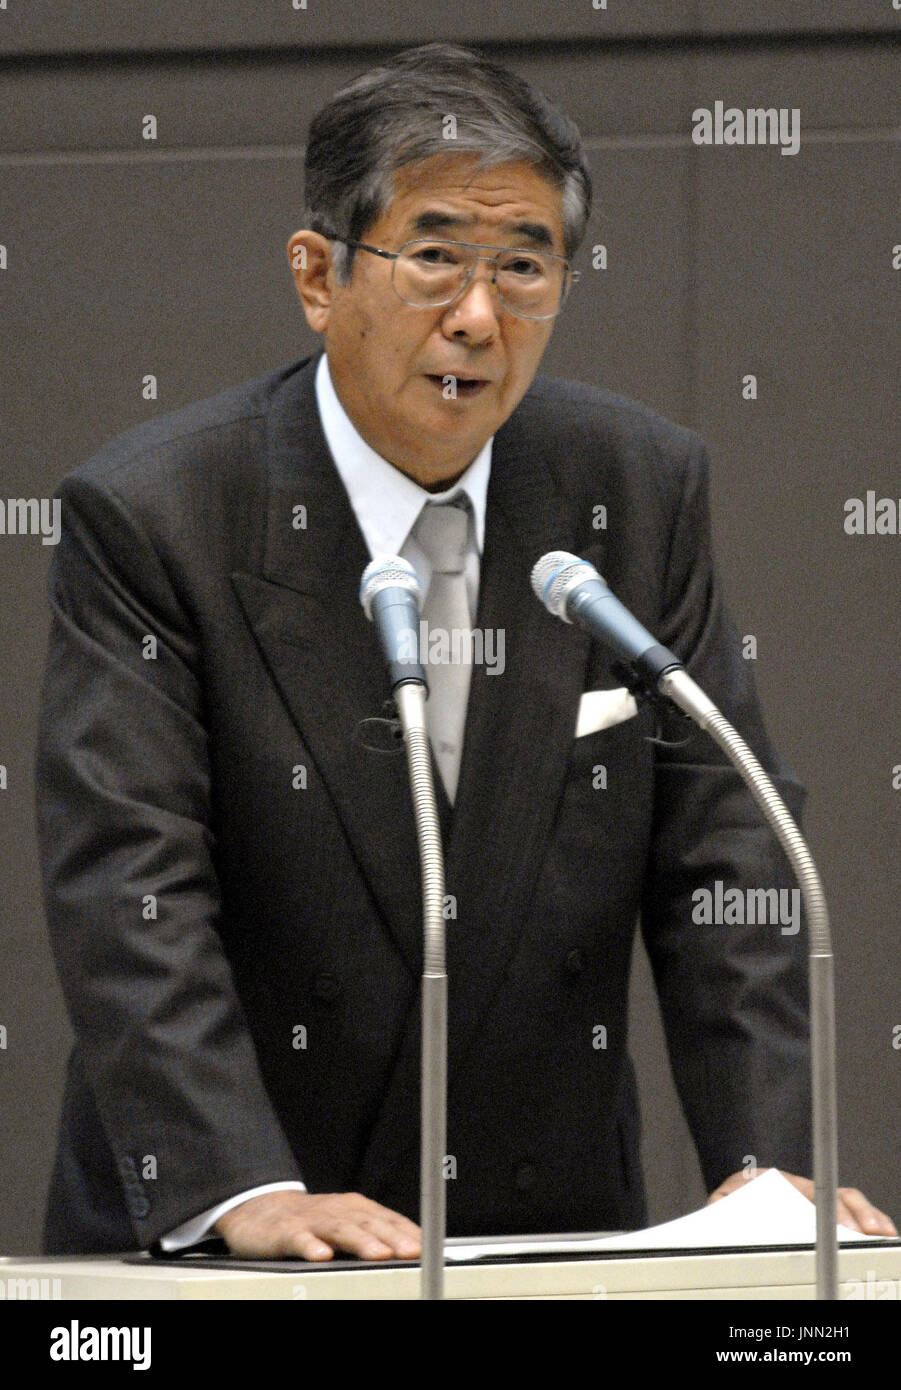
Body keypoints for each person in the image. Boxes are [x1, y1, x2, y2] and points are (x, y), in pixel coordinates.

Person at [35, 43, 894, 1262]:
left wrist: (772, 1165)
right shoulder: (160, 513)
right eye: (434, 255)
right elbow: (133, 883)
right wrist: (242, 1188)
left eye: (524, 265)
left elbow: (726, 857)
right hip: (241, 1229)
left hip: (539, 1224)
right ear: (318, 276)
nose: (480, 315)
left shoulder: (631, 489)